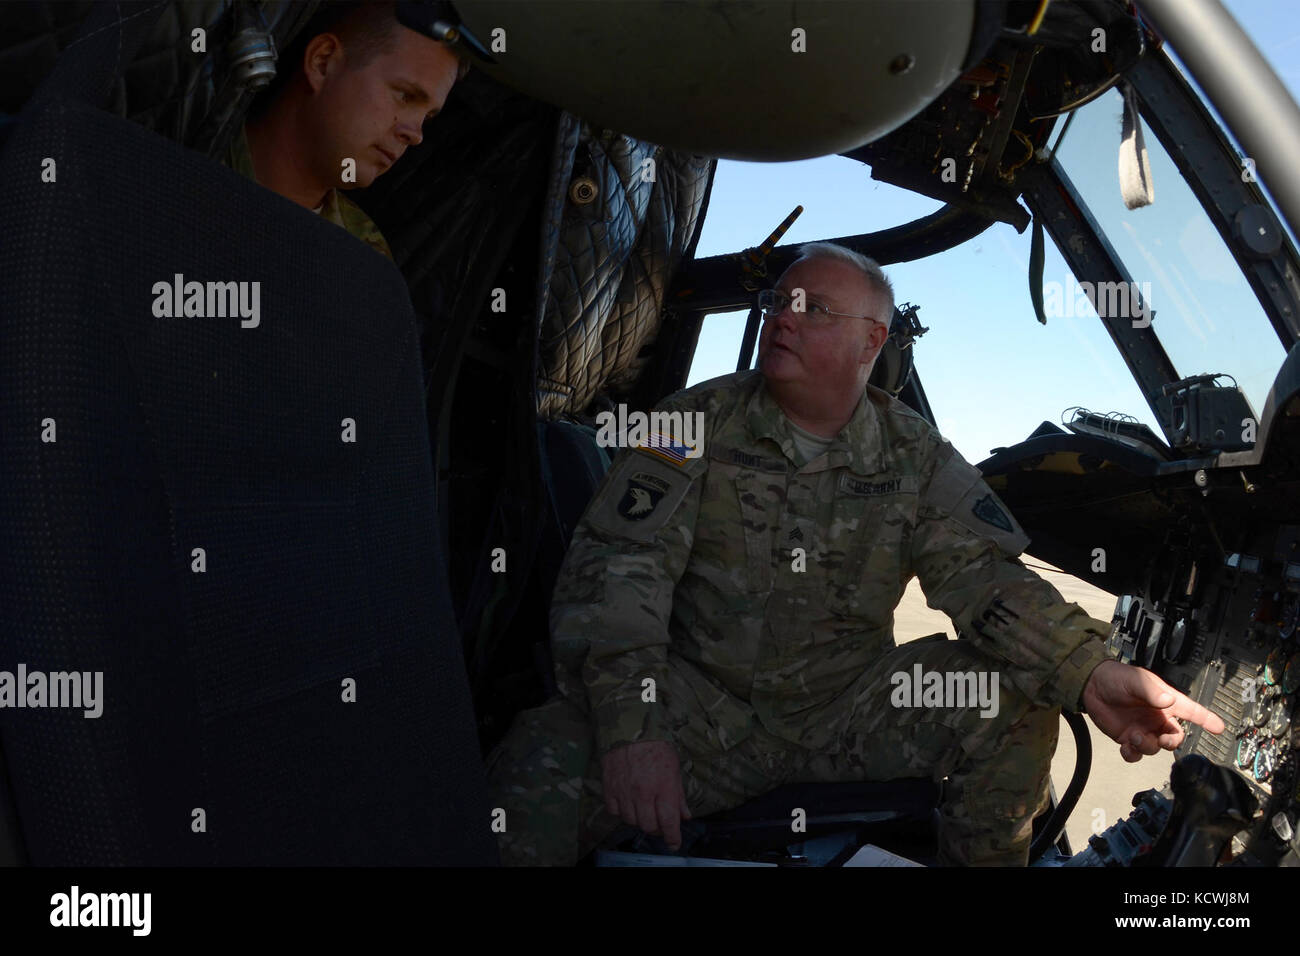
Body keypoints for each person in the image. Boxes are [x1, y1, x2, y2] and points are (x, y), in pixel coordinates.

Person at [486, 241, 1226, 866]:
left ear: (871, 341)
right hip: (702, 710)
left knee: (1010, 701)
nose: (783, 317)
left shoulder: (914, 456)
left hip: (852, 710)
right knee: (537, 765)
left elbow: (982, 580)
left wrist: (1089, 671)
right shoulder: (690, 422)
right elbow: (620, 577)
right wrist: (634, 733)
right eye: (780, 301)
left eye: (815, 310)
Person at [222, 1, 469, 259]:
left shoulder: (366, 257)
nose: (416, 135)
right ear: (323, 61)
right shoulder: (189, 160)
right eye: (405, 96)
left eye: (427, 117)